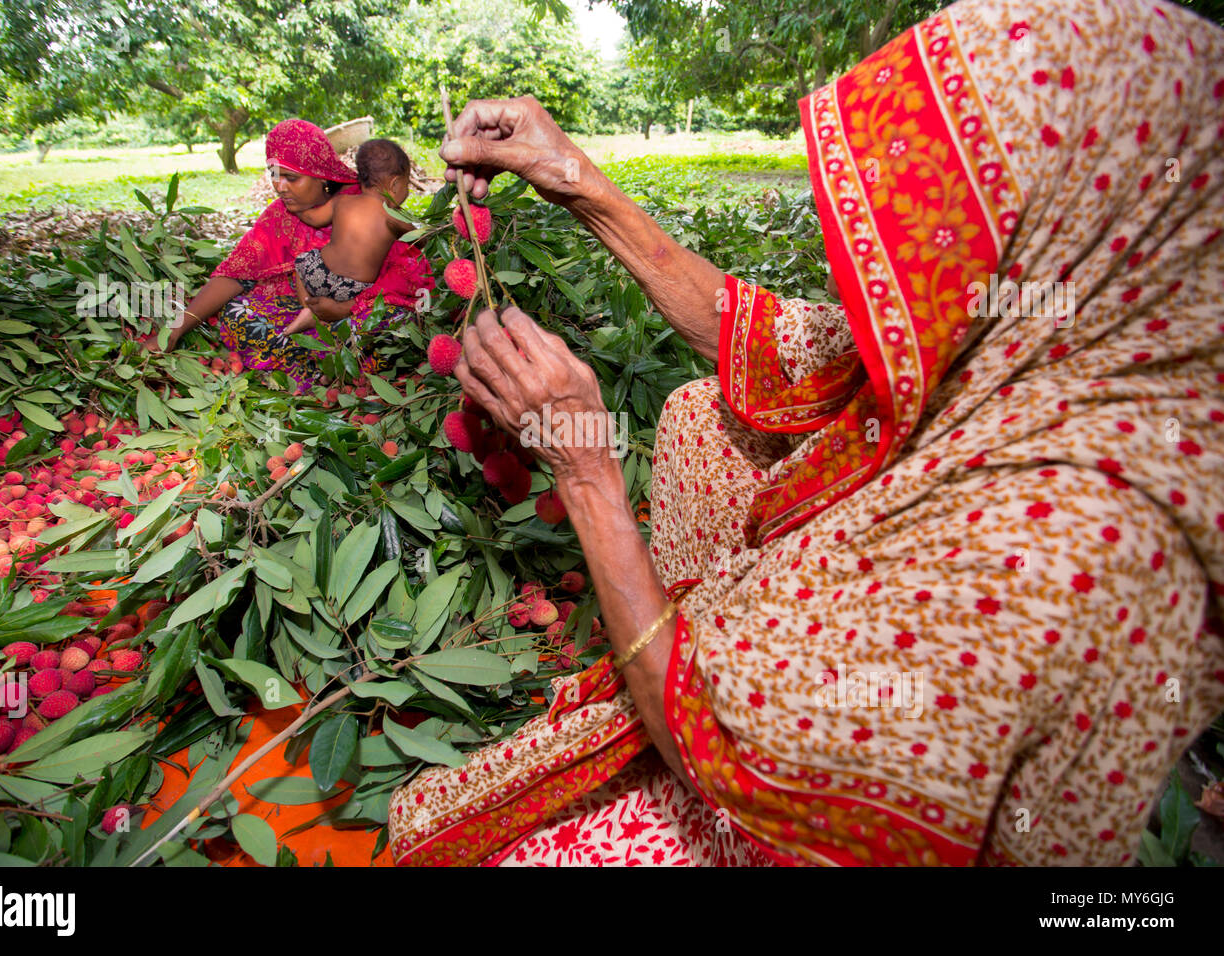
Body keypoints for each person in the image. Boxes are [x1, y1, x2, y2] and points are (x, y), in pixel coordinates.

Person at [386, 0, 1224, 866]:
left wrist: (589, 476)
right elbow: (762, 339)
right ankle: (687, 641)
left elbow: (739, 774)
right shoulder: (1043, 347)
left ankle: (673, 668)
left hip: (783, 810)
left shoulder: (1079, 542)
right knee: (702, 415)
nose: (886, 256)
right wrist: (574, 177)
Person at [148, 120, 432, 387]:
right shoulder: (278, 217)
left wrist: (346, 309)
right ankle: (322, 372)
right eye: (274, 175)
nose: (279, 187)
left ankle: (332, 368)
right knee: (237, 313)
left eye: (291, 178)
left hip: (358, 313)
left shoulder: (368, 202)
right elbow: (235, 274)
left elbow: (409, 272)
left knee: (395, 325)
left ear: (320, 175)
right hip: (297, 318)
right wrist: (174, 330)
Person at [281, 139, 415, 340]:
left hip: (319, 274)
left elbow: (314, 219)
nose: (408, 190)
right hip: (355, 289)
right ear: (395, 184)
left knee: (301, 263)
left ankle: (307, 308)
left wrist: (297, 208)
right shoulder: (394, 218)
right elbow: (421, 239)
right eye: (407, 184)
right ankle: (332, 324)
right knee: (376, 303)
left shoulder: (342, 201)